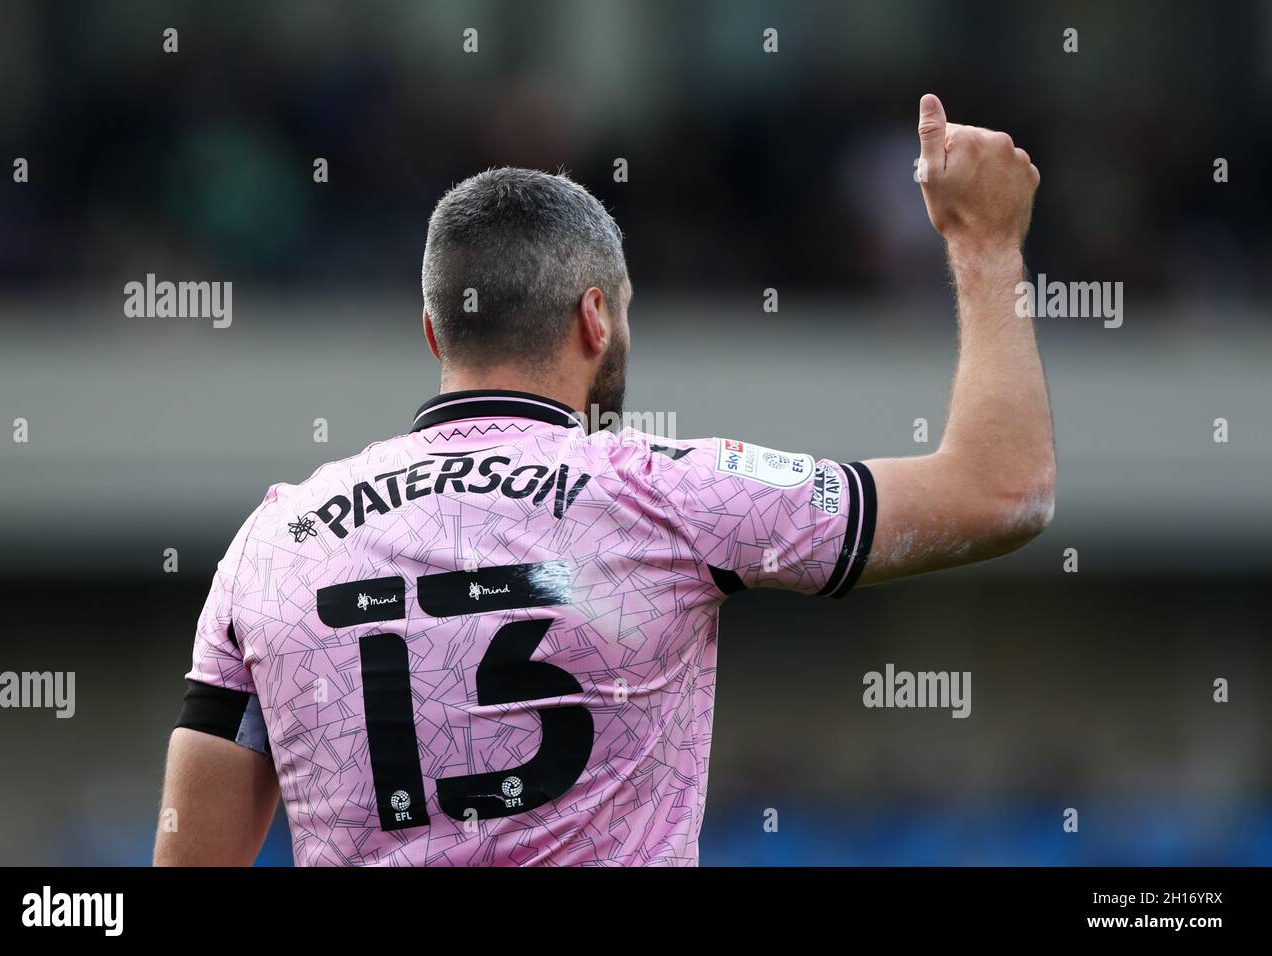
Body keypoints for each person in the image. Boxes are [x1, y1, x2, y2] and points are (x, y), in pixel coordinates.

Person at [154, 94, 1054, 866]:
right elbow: (1003, 492)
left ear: (435, 334)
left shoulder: (274, 541)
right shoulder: (671, 494)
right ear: (595, 319)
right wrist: (986, 243)